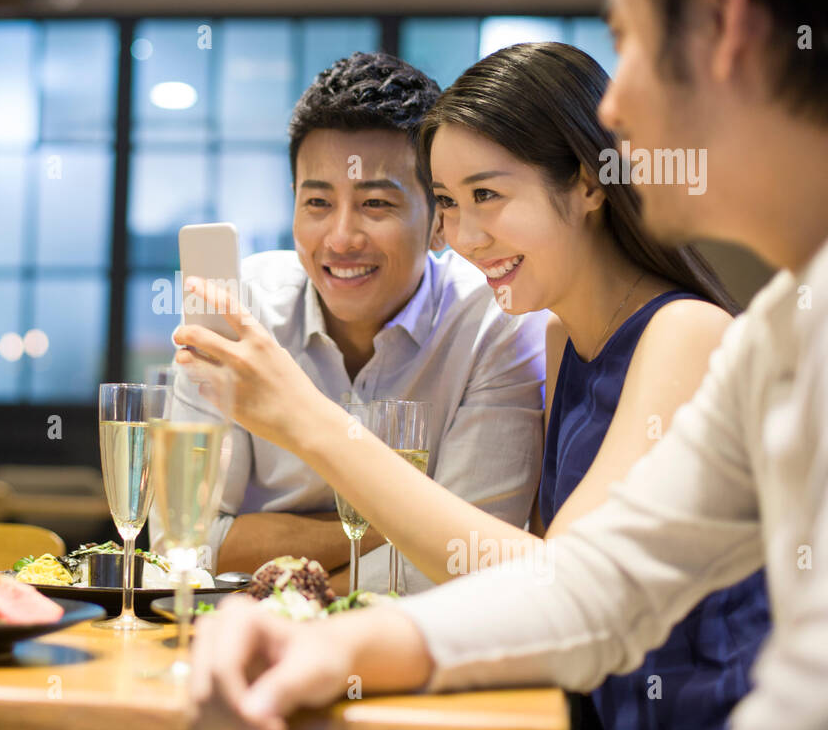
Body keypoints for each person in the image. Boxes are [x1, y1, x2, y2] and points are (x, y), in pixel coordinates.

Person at [187, 0, 828, 730]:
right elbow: (593, 582)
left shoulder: (712, 331)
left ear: (723, 17)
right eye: (452, 203)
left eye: (632, 39)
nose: (615, 107)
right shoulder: (777, 331)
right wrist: (337, 649)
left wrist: (306, 424)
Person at [175, 40, 771, 730]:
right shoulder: (560, 338)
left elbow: (559, 586)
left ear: (586, 184)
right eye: (450, 204)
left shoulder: (686, 333)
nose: (462, 237)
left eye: (487, 195)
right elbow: (535, 583)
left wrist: (307, 419)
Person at [150, 52, 549, 595]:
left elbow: (472, 561)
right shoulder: (239, 311)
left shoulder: (496, 325)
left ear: (439, 222)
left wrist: (285, 577)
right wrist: (409, 518)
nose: (340, 238)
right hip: (242, 650)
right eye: (317, 201)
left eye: (376, 203)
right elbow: (182, 546)